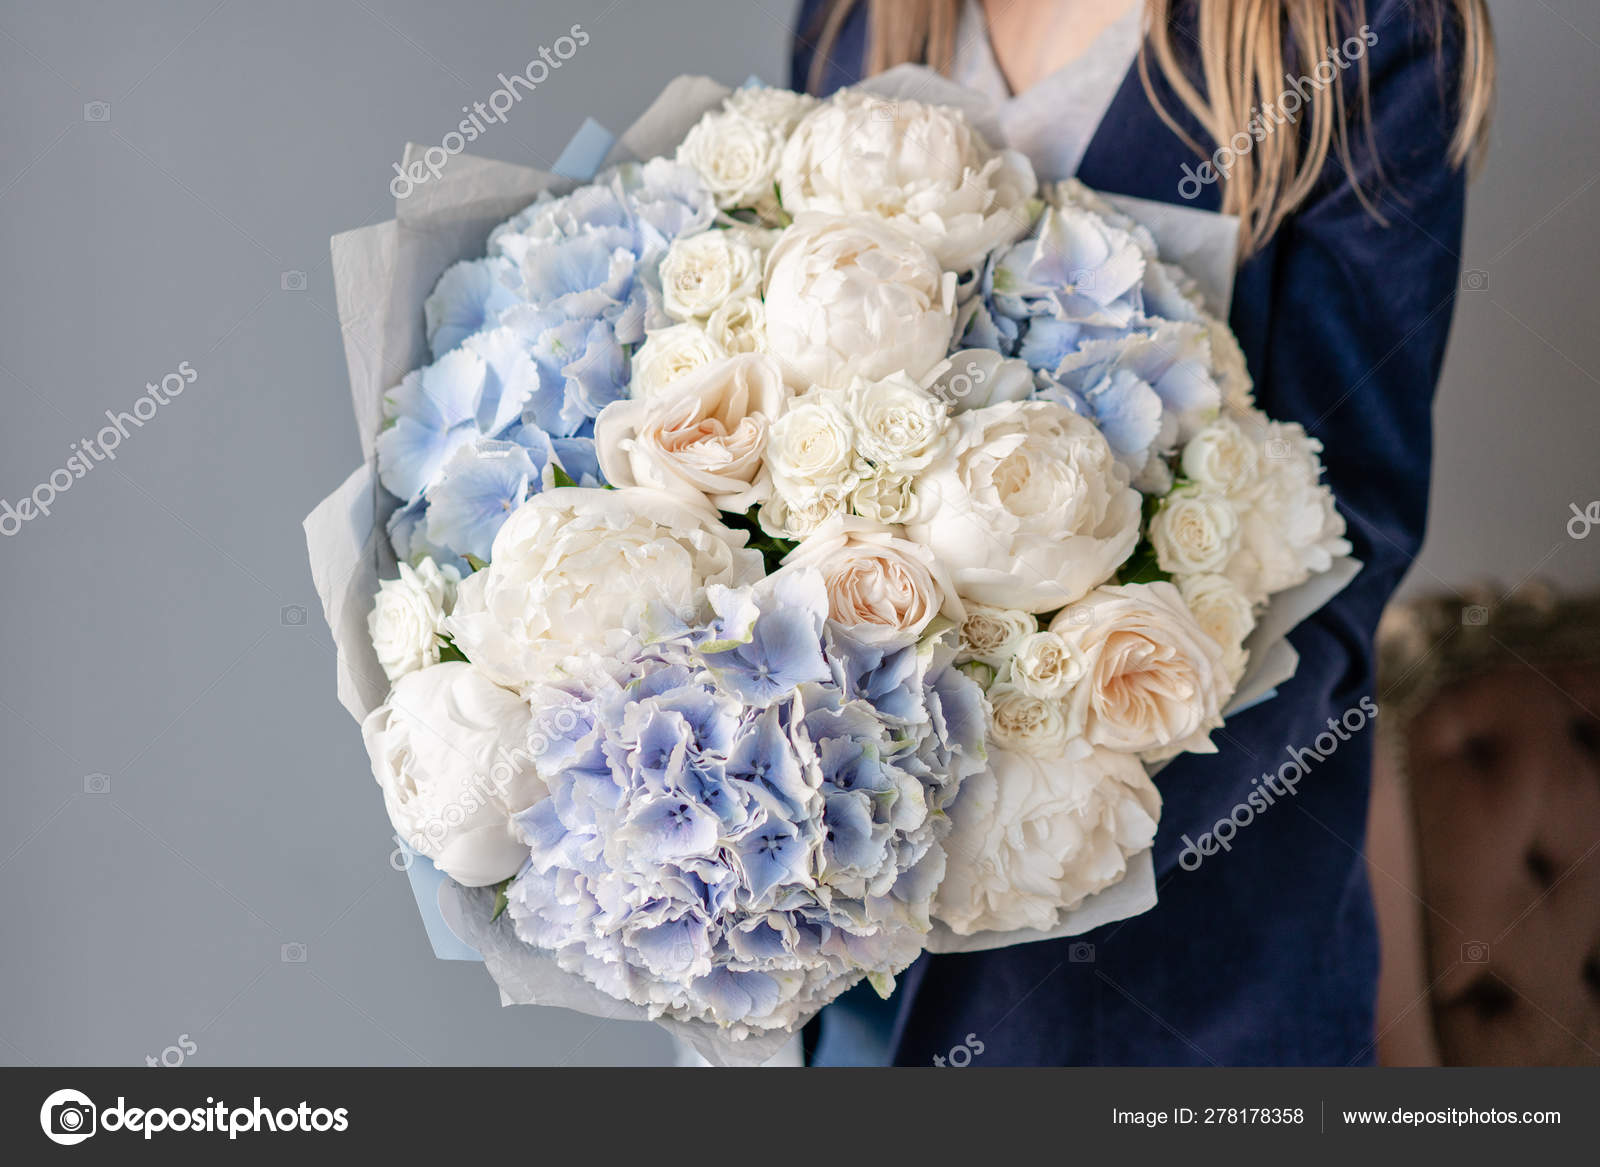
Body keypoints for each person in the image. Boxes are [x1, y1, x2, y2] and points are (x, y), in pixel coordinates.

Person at [791, 0, 1497, 1066]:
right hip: (833, 971)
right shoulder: (860, 17)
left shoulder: (1363, 33)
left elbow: (1341, 559)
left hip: (1152, 996)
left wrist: (1013, 839)